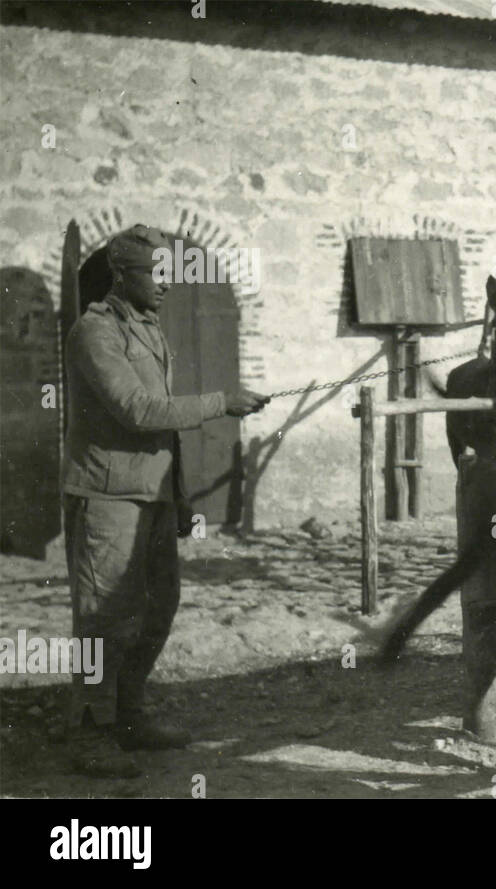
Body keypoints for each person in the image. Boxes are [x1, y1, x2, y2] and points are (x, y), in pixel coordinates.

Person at [61, 224, 268, 778]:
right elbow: (139, 411)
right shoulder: (95, 333)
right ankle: (90, 732)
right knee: (104, 619)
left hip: (149, 495)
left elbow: (162, 432)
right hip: (108, 496)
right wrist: (222, 402)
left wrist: (175, 499)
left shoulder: (147, 328)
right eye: (157, 274)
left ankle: (127, 717)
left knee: (158, 607)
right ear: (122, 275)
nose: (168, 284)